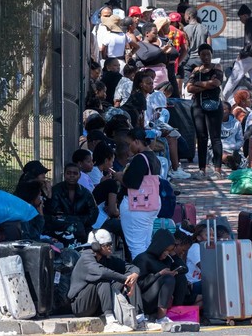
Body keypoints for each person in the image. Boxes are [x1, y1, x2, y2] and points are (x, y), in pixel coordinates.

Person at [68, 229, 141, 333]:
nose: (111, 247)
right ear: (97, 246)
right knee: (103, 279)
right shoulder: (86, 258)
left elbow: (130, 266)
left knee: (131, 279)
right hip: (81, 306)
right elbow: (102, 272)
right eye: (108, 245)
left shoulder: (106, 258)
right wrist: (125, 278)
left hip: (96, 305)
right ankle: (110, 321)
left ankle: (140, 318)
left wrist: (134, 275)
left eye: (111, 244)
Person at [120, 129, 162, 259]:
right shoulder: (154, 157)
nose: (128, 147)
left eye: (129, 143)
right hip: (151, 204)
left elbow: (131, 182)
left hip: (138, 206)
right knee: (145, 244)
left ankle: (140, 276)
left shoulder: (140, 158)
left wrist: (119, 176)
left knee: (136, 247)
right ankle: (147, 275)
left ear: (137, 142)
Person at [186, 44, 224, 180]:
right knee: (201, 137)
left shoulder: (217, 68)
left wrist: (199, 84)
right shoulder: (196, 70)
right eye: (203, 55)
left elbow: (216, 82)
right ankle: (202, 169)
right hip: (198, 106)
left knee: (215, 138)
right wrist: (206, 85)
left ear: (211, 54)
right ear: (200, 56)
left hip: (214, 106)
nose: (206, 57)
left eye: (208, 54)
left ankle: (217, 169)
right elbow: (189, 88)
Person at [133, 230, 187, 323]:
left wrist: (173, 255)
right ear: (159, 247)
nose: (167, 254)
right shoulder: (143, 259)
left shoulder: (166, 259)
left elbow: (184, 269)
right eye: (165, 250)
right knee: (168, 279)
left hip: (159, 297)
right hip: (144, 298)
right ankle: (161, 317)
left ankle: (176, 312)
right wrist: (159, 274)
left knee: (181, 278)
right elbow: (140, 284)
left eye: (169, 251)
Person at [222, 5, 252, 100]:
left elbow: (249, 41)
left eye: (240, 18)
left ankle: (222, 99)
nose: (240, 20)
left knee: (233, 79)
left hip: (248, 56)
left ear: (244, 16)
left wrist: (242, 54)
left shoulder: (249, 23)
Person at [45, 164, 99, 244]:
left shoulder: (86, 193)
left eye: (75, 173)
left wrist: (77, 222)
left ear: (79, 175)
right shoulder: (56, 191)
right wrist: (74, 222)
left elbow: (93, 214)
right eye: (69, 173)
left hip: (83, 229)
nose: (72, 176)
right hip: (60, 229)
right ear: (64, 174)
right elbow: (55, 213)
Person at [133, 23, 170, 87]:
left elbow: (164, 61)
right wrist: (161, 50)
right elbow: (145, 57)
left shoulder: (156, 46)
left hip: (162, 78)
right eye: (154, 33)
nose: (157, 36)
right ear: (147, 33)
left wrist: (166, 53)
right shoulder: (140, 44)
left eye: (157, 33)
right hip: (150, 78)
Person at [180, 6, 211, 77]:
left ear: (188, 16)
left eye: (185, 15)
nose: (184, 17)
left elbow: (183, 46)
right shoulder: (205, 29)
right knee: (201, 80)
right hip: (201, 60)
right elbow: (209, 46)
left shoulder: (184, 30)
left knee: (187, 83)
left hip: (188, 60)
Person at [220, 102, 244, 170]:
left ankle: (231, 160)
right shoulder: (214, 122)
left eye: (224, 109)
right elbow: (210, 139)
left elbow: (240, 139)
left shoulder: (236, 123)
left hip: (233, 149)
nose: (222, 111)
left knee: (239, 155)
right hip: (218, 149)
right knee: (218, 154)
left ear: (230, 111)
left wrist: (235, 146)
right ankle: (230, 160)